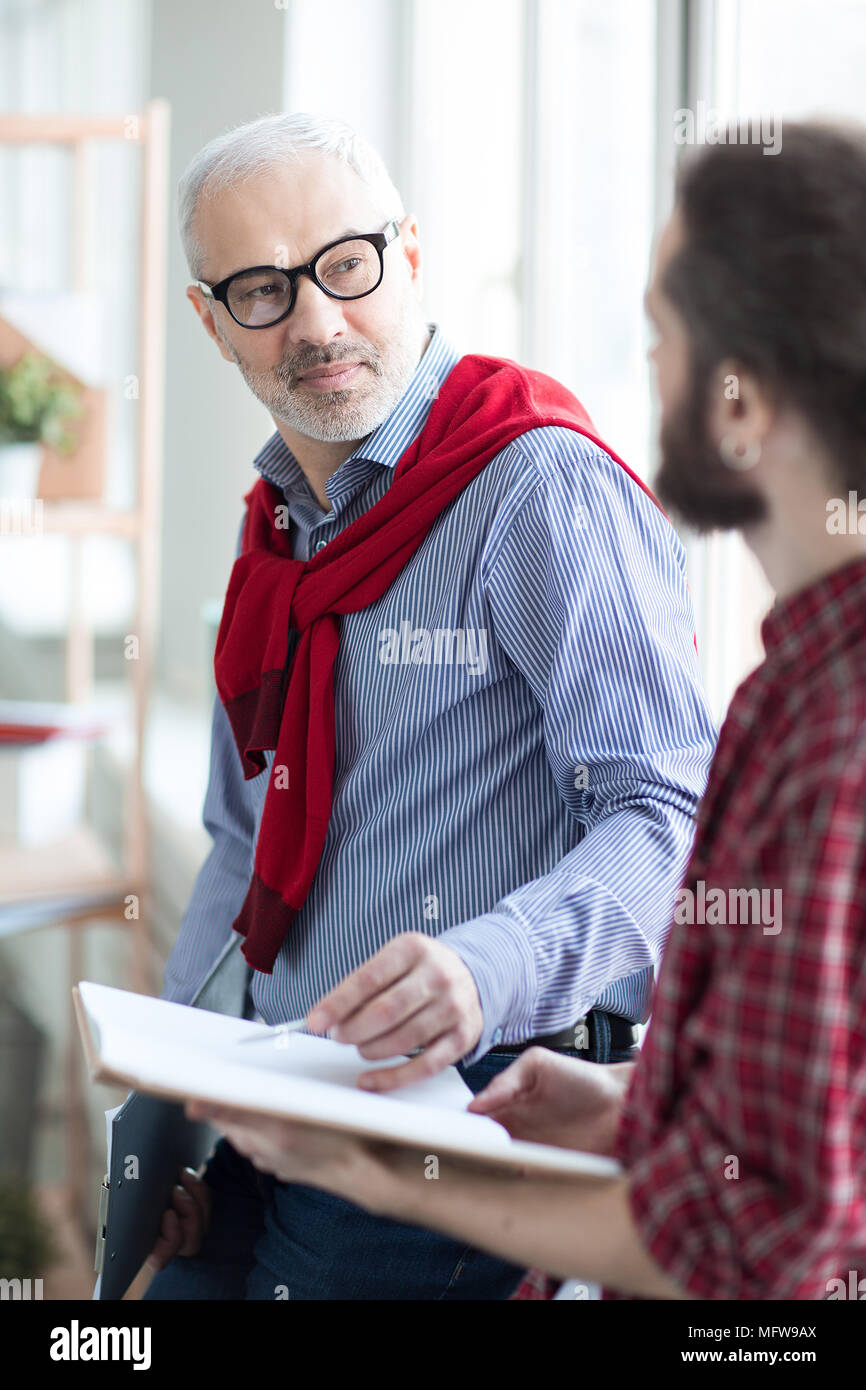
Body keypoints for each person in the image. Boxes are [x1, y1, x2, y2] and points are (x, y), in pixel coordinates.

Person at [186, 120, 866, 1301]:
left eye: (343, 265)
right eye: (260, 289)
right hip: (273, 1103)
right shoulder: (272, 535)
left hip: (454, 1123)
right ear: (212, 320)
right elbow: (239, 849)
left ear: (407, 253)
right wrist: (171, 1106)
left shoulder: (537, 483)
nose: (313, 319)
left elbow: (662, 809)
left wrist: (486, 970)